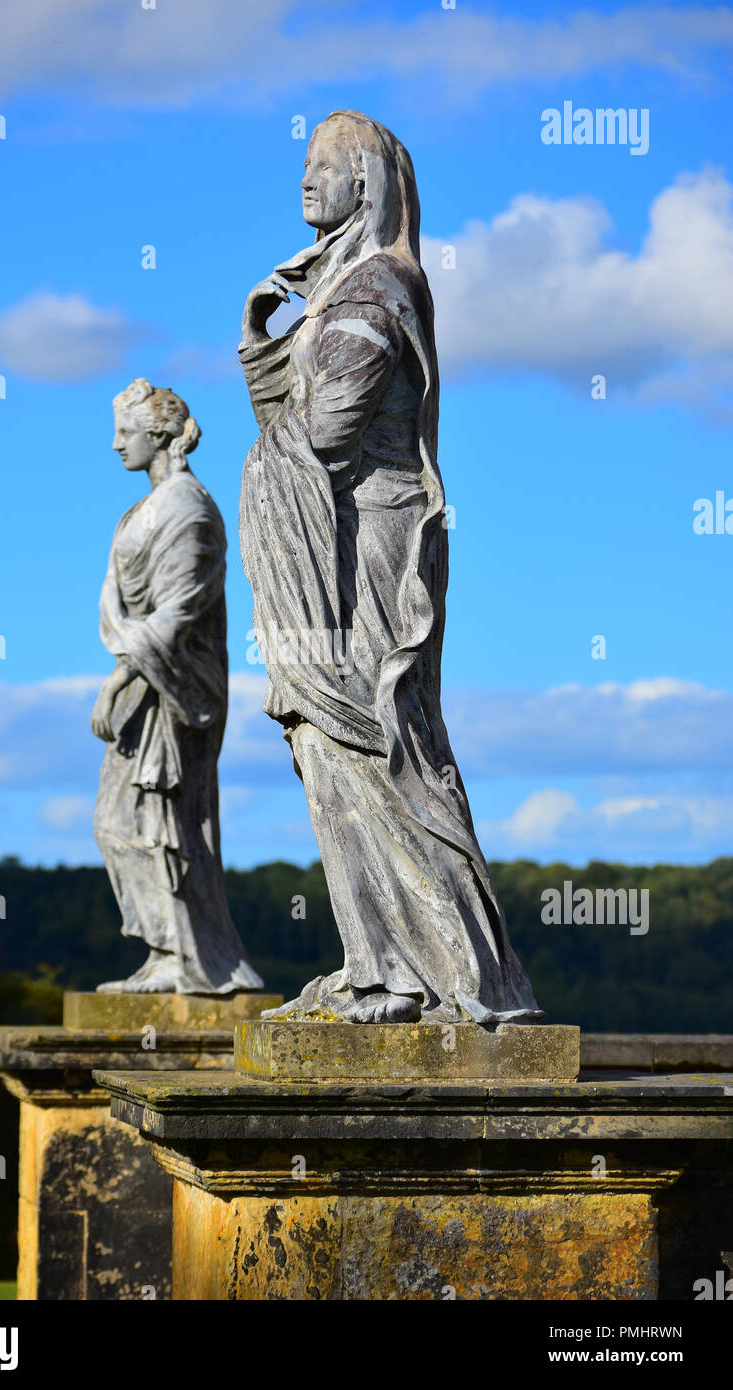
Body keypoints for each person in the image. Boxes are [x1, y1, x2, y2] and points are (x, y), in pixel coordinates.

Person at [239, 112, 540, 1025]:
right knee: (326, 743)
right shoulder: (337, 282)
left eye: (321, 165)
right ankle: (379, 961)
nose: (305, 179)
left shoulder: (378, 286)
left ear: (363, 182)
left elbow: (327, 430)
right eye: (301, 162)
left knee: (378, 739)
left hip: (372, 544)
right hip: (330, 530)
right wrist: (263, 337)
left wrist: (278, 407)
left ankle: (448, 971)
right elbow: (297, 423)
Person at [91, 379, 262, 995]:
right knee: (121, 821)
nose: (115, 445)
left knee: (162, 819)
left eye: (124, 432)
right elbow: (123, 604)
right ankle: (173, 950)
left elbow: (180, 613)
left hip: (177, 689)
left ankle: (189, 959)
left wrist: (118, 679)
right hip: (147, 682)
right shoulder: (141, 511)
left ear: (158, 435)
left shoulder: (189, 509)